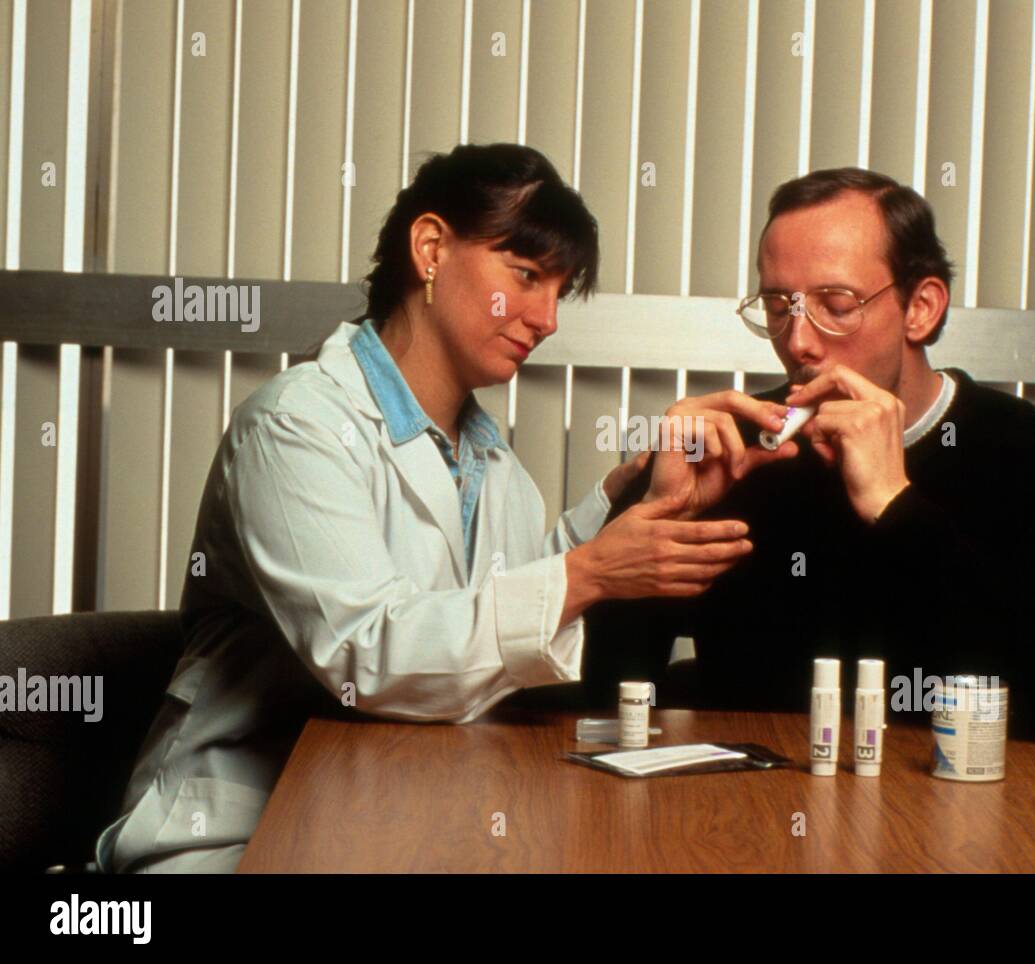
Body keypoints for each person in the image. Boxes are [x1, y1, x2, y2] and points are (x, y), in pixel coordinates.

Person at [95, 143, 786, 873]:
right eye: (525, 276)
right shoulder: (294, 427)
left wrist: (634, 496)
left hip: (397, 818)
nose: (547, 317)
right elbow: (369, 654)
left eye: (560, 290)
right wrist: (590, 574)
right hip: (244, 837)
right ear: (430, 249)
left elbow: (492, 620)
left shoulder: (494, 465)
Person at [582, 168, 1035, 748]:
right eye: (780, 305)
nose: (798, 341)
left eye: (836, 303)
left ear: (921, 309)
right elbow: (605, 695)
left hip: (971, 820)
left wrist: (895, 506)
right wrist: (656, 513)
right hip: (756, 815)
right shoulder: (736, 450)